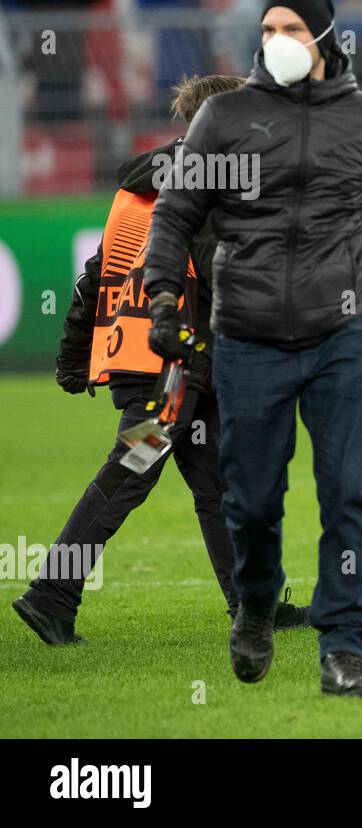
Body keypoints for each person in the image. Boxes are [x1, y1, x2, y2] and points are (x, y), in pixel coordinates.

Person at [144, 0, 362, 697]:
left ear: (323, 38)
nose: (272, 37)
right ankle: (254, 600)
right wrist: (161, 298)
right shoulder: (223, 115)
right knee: (249, 500)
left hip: (342, 332)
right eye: (266, 26)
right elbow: (174, 215)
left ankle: (343, 649)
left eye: (288, 27)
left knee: (348, 493)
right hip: (245, 335)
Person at [12, 74, 310, 645]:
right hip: (170, 367)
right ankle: (52, 592)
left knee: (217, 485)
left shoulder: (137, 188)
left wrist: (75, 357)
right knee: (130, 471)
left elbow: (94, 278)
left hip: (154, 360)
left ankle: (255, 605)